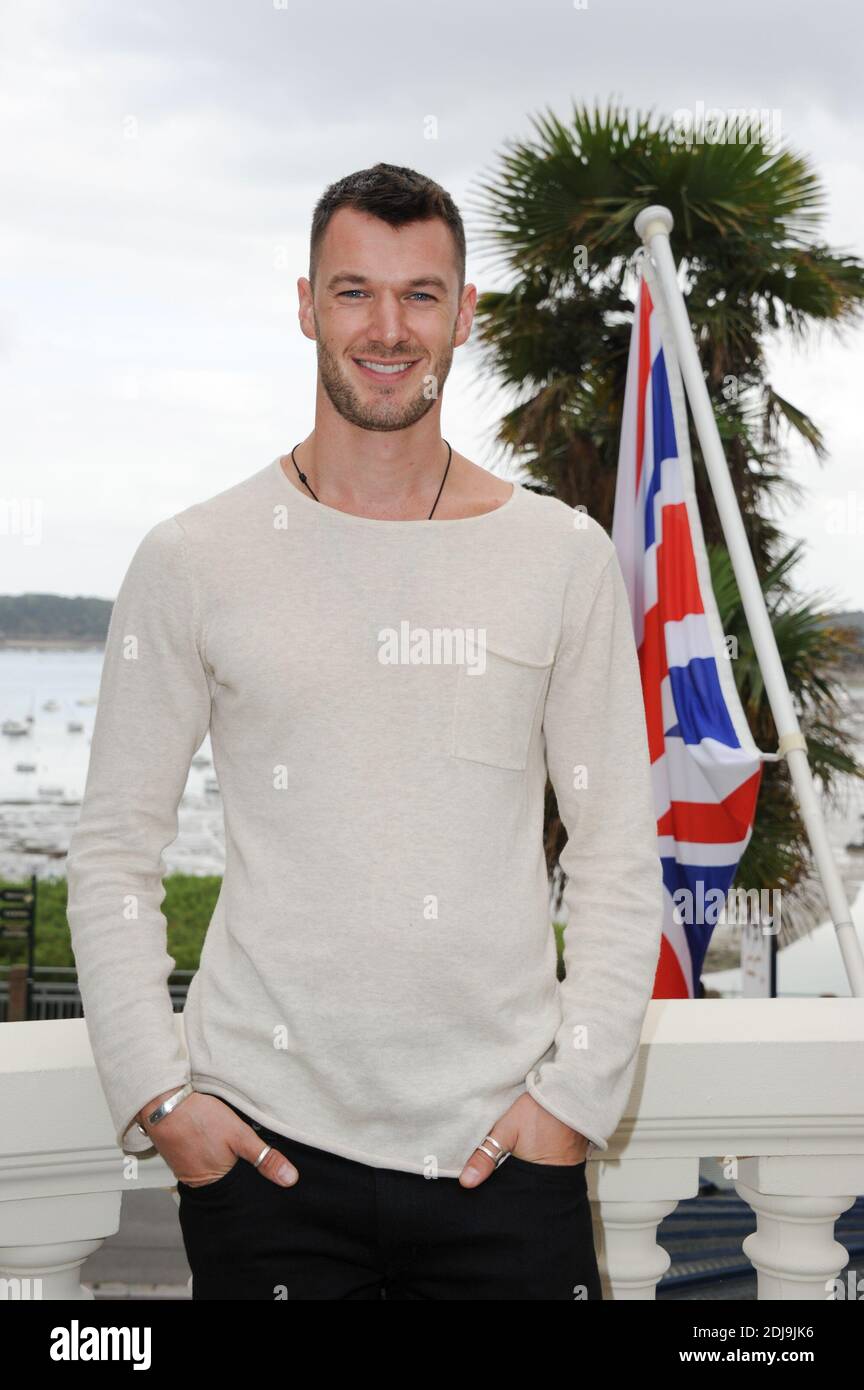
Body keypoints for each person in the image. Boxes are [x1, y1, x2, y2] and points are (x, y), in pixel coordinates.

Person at [66, 162, 663, 1301]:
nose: (388, 329)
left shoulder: (560, 556)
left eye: (421, 295)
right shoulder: (195, 558)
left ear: (465, 313)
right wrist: (160, 1097)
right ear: (305, 305)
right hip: (268, 1165)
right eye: (354, 293)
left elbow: (616, 858)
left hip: (509, 1159)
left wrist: (575, 1101)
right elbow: (113, 853)